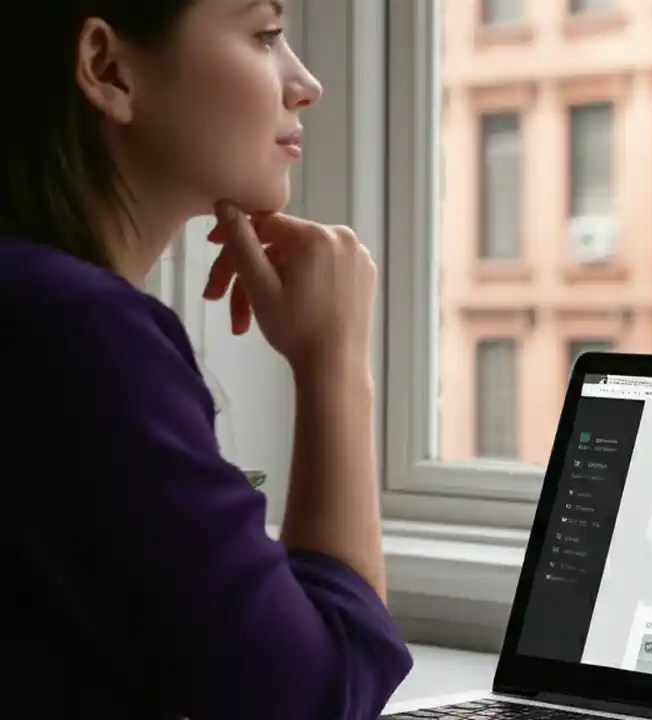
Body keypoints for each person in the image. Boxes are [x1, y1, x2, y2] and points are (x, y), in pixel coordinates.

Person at [0, 2, 412, 718]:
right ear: (106, 68)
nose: (306, 83)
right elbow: (317, 698)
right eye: (264, 34)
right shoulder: (71, 332)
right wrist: (333, 363)